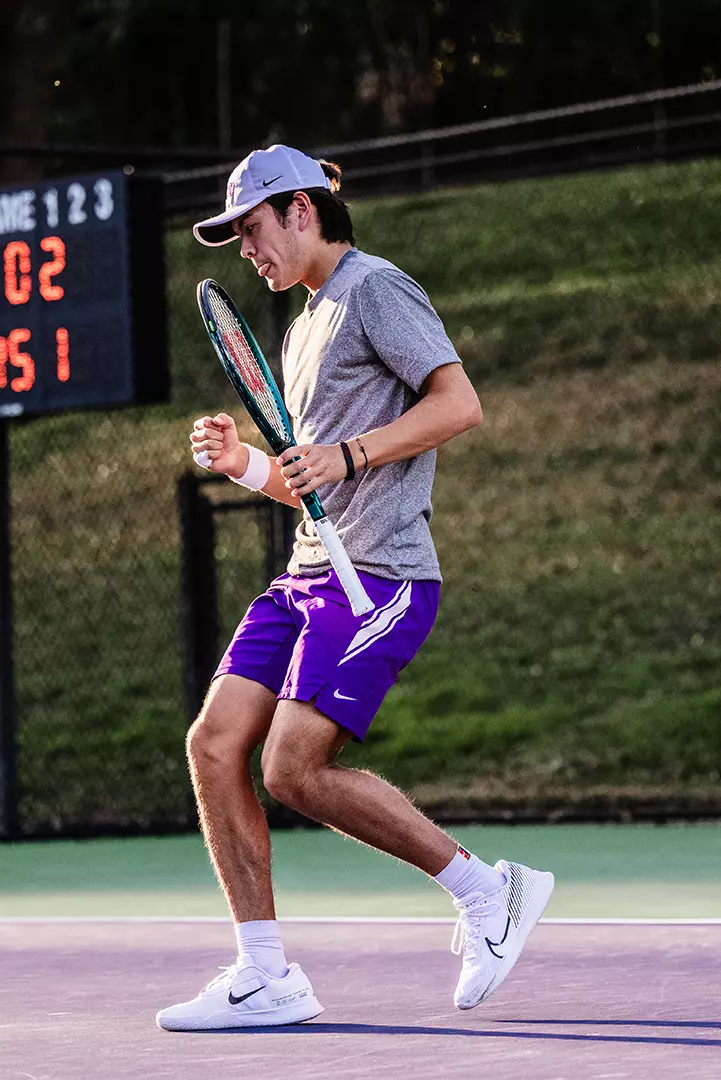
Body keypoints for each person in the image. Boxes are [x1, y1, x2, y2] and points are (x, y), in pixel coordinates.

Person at [158, 144, 556, 1032]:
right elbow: (312, 484)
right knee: (214, 744)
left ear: (301, 210)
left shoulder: (376, 289)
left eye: (252, 231)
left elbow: (460, 405)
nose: (246, 253)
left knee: (291, 768)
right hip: (305, 575)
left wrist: (349, 451)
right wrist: (247, 463)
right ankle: (266, 974)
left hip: (381, 579)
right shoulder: (302, 326)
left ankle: (488, 892)